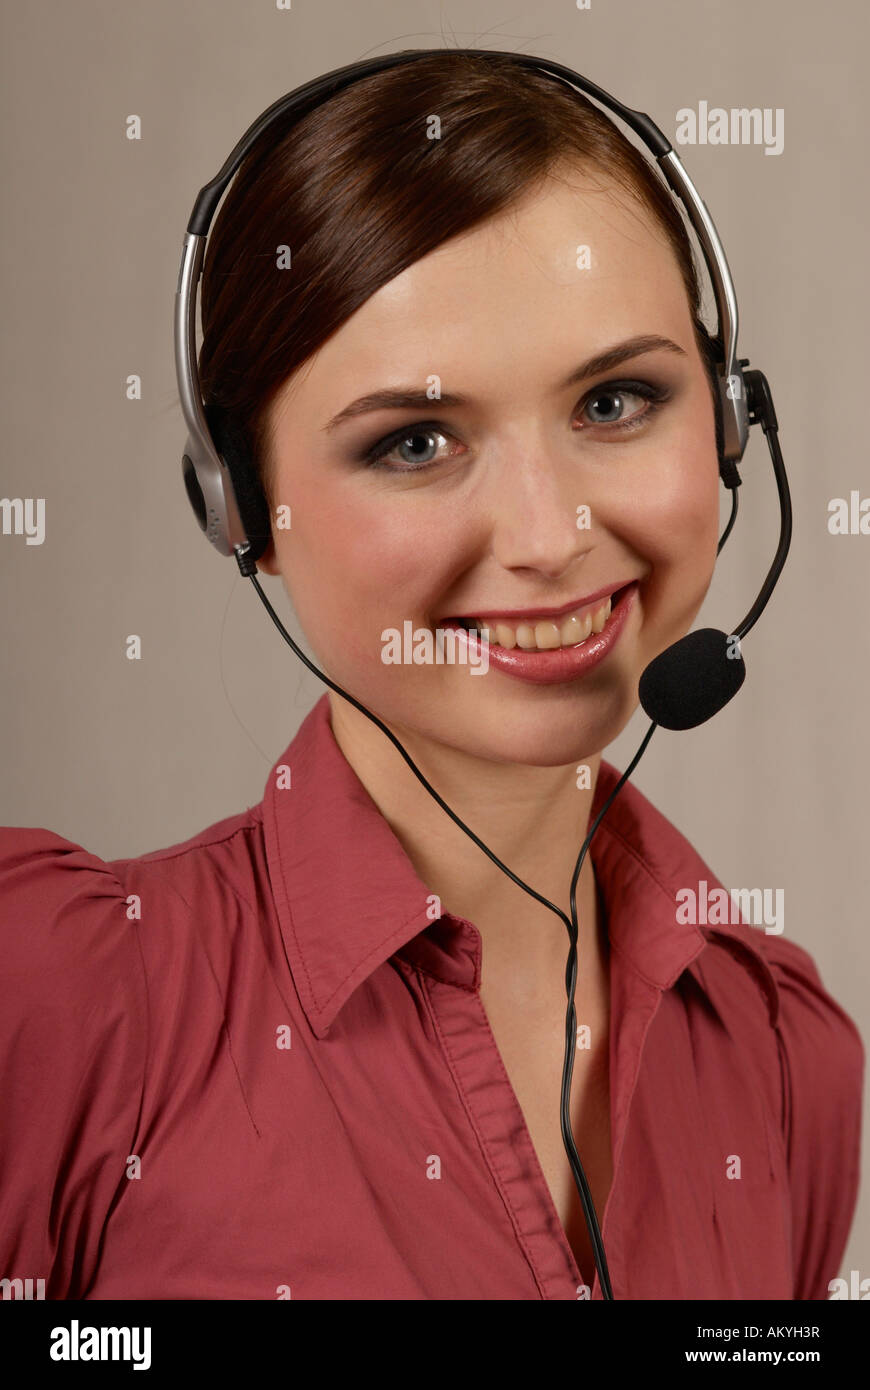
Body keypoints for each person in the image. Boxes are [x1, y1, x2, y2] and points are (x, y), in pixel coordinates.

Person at [0, 50, 862, 1301]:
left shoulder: (782, 1057)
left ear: (729, 422)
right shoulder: (61, 1000)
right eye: (416, 440)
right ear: (242, 506)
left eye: (616, 401)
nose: (548, 533)